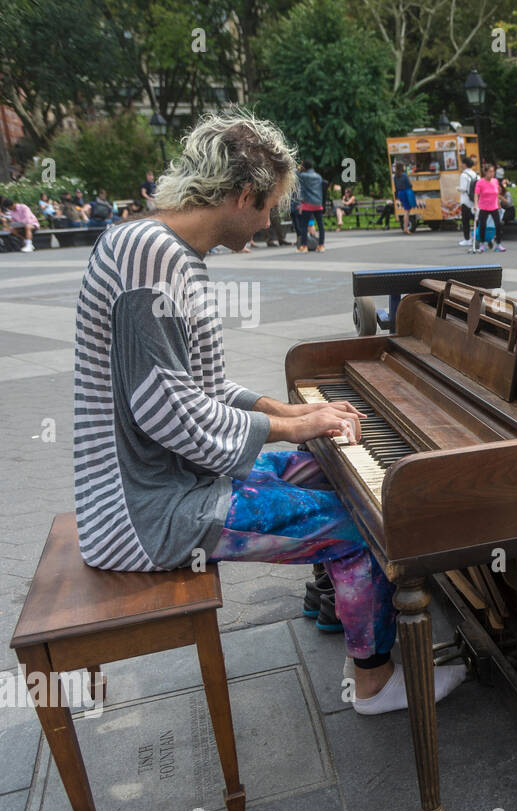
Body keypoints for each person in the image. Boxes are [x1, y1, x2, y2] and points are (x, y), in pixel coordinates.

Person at [72, 108, 464, 713]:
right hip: (146, 517)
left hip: (171, 486)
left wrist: (291, 411)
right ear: (243, 195)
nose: (271, 219)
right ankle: (375, 682)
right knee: (363, 532)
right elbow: (168, 411)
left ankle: (344, 615)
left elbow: (200, 385)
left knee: (326, 467)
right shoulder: (151, 258)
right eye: (269, 206)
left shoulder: (158, 246)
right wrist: (291, 426)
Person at [471, 161, 506, 252]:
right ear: (485, 172)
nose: (492, 173)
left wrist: (499, 205)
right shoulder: (480, 182)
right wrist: (475, 205)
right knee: (482, 226)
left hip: (494, 207)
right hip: (483, 207)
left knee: (498, 225)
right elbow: (476, 194)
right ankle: (482, 244)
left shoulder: (495, 181)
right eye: (490, 171)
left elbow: (496, 194)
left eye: (493, 171)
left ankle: (498, 244)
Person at [296, 159, 326, 251]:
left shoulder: (303, 176)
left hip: (307, 204)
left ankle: (304, 246)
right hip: (318, 204)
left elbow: (295, 175)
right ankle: (321, 245)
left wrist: (299, 168)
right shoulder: (318, 176)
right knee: (320, 225)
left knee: (304, 226)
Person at [393, 161, 417, 236]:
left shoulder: (395, 176)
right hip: (406, 192)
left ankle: (405, 227)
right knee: (407, 211)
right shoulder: (404, 176)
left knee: (406, 210)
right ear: (402, 167)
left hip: (400, 193)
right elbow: (409, 185)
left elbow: (396, 187)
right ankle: (405, 228)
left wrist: (397, 196)